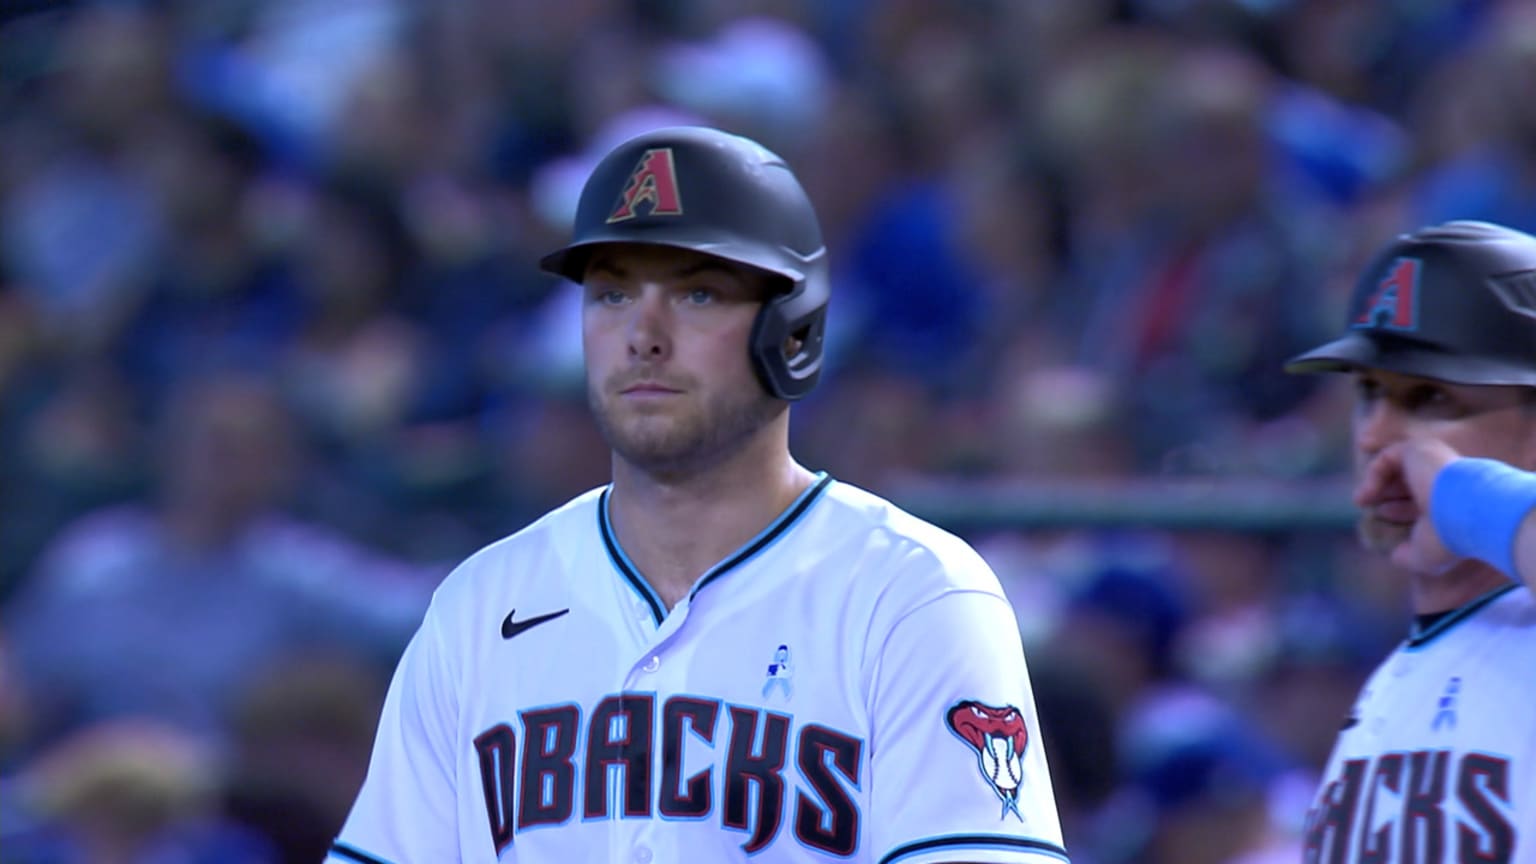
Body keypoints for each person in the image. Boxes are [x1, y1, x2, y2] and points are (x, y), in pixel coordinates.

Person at [327, 126, 1067, 863]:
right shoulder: (479, 606)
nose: (643, 335)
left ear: (793, 332)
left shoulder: (913, 595)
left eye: (698, 293)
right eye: (612, 293)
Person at [1284, 219, 1536, 862]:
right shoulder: (1395, 679)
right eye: (1369, 393)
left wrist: (1466, 494)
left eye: (1430, 399)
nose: (1375, 436)